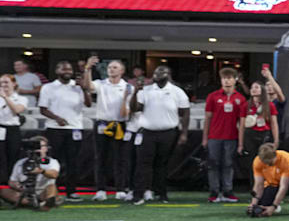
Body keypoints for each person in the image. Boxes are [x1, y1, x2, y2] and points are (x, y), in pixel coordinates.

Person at [130, 65, 190, 205]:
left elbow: (185, 113)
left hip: (168, 132)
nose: (158, 75)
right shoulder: (146, 90)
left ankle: (161, 194)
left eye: (161, 73)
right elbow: (134, 108)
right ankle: (138, 194)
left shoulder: (177, 91)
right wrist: (134, 93)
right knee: (143, 164)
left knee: (162, 165)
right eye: (156, 73)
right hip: (147, 132)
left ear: (168, 75)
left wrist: (184, 133)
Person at [39, 60, 90, 202]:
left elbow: (88, 103)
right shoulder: (48, 87)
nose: (67, 71)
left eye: (69, 69)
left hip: (75, 128)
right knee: (52, 160)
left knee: (73, 162)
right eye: (64, 69)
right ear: (57, 71)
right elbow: (43, 109)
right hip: (54, 129)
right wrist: (57, 118)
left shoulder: (78, 87)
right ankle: (49, 190)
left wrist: (84, 88)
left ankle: (71, 191)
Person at [84, 57, 134, 201]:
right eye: (109, 68)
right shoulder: (101, 84)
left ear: (122, 71)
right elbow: (88, 87)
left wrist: (125, 99)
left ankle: (120, 188)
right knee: (100, 157)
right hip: (102, 123)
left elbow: (126, 113)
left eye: (115, 67)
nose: (111, 70)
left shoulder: (128, 87)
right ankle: (100, 189)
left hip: (120, 124)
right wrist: (88, 69)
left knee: (120, 158)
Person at [203, 67, 246, 203]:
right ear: (221, 80)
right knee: (213, 165)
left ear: (235, 80)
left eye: (229, 78)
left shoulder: (240, 99)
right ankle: (214, 192)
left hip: (232, 137)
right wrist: (205, 138)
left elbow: (242, 123)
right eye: (224, 78)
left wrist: (240, 142)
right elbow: (207, 118)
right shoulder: (213, 96)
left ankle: (227, 191)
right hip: (214, 137)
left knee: (228, 164)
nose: (227, 81)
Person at [248, 143, 289, 218]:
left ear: (275, 155)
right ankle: (273, 204)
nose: (267, 164)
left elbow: (284, 186)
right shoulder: (257, 161)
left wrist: (273, 206)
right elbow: (258, 184)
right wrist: (253, 204)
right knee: (261, 207)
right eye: (265, 163)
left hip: (288, 185)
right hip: (271, 186)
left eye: (270, 162)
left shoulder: (286, 158)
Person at [2, 135, 60, 210]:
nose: (38, 149)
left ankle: (47, 202)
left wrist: (42, 171)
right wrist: (16, 185)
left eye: (41, 146)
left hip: (43, 191)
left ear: (46, 148)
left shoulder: (52, 162)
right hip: (25, 192)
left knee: (52, 187)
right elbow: (12, 181)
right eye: (35, 147)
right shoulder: (21, 162)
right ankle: (32, 202)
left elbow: (54, 175)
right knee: (4, 191)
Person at [239, 79, 279, 180]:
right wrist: (240, 144)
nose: (254, 90)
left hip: (264, 134)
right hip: (250, 135)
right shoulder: (246, 105)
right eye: (252, 88)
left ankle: (267, 184)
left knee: (265, 159)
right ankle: (254, 186)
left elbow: (274, 124)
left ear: (262, 90)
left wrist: (276, 140)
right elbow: (242, 126)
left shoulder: (269, 105)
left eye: (256, 87)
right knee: (252, 161)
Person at [0, 74, 27, 180]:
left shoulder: (21, 98)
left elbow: (17, 110)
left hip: (12, 129)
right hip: (0, 127)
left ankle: (12, 181)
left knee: (13, 156)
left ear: (14, 84)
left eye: (6, 82)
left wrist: (5, 97)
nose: (3, 85)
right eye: (1, 82)